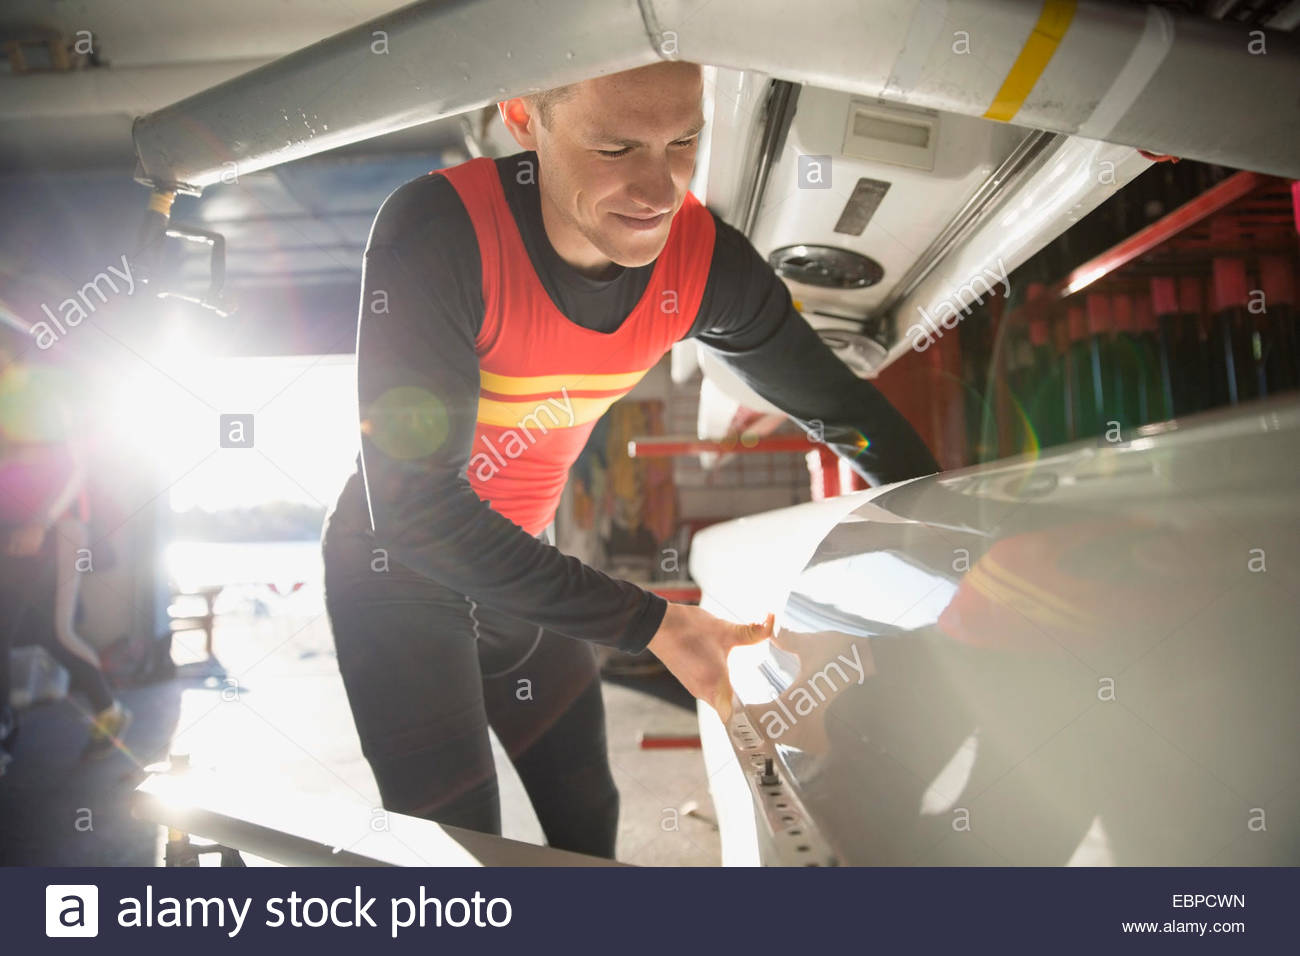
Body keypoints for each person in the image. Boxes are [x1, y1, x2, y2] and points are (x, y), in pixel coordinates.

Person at [321, 60, 940, 858]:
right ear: (523, 117)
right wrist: (652, 623)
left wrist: (953, 545)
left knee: (587, 813)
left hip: (521, 560)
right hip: (396, 573)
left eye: (684, 140)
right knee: (460, 848)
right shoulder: (439, 235)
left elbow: (848, 413)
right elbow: (415, 514)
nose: (659, 188)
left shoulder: (703, 261)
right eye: (615, 149)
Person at [0, 328, 130, 774]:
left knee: (56, 629)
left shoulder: (36, 396)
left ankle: (110, 709)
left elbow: (74, 469)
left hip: (60, 527)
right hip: (25, 529)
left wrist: (41, 520)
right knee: (31, 628)